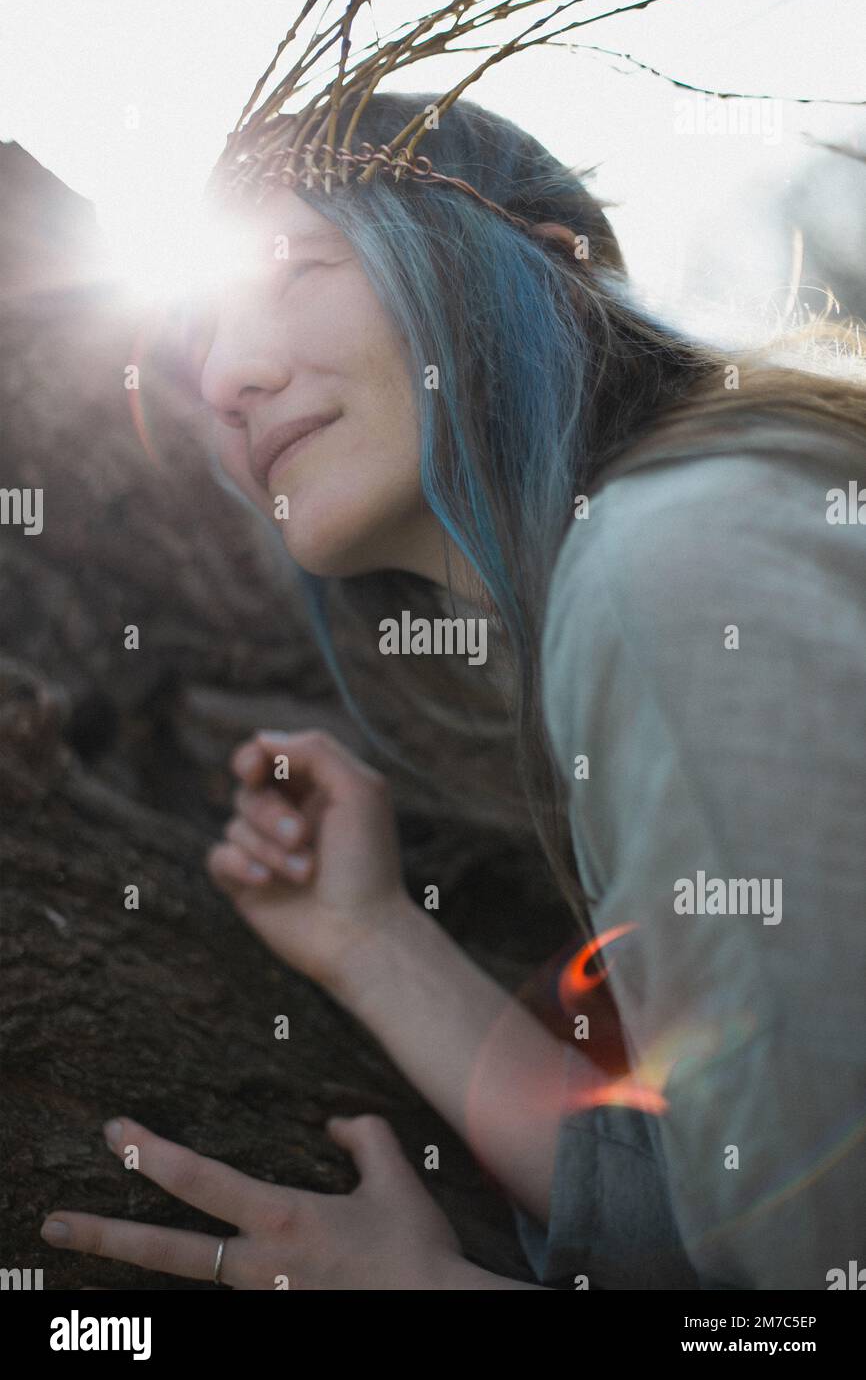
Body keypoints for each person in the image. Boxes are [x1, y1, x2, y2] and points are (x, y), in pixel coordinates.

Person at [41, 88, 866, 1290]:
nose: (221, 380)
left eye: (294, 267)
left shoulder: (678, 567)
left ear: (533, 263)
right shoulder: (668, 556)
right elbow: (726, 1196)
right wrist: (366, 932)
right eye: (195, 342)